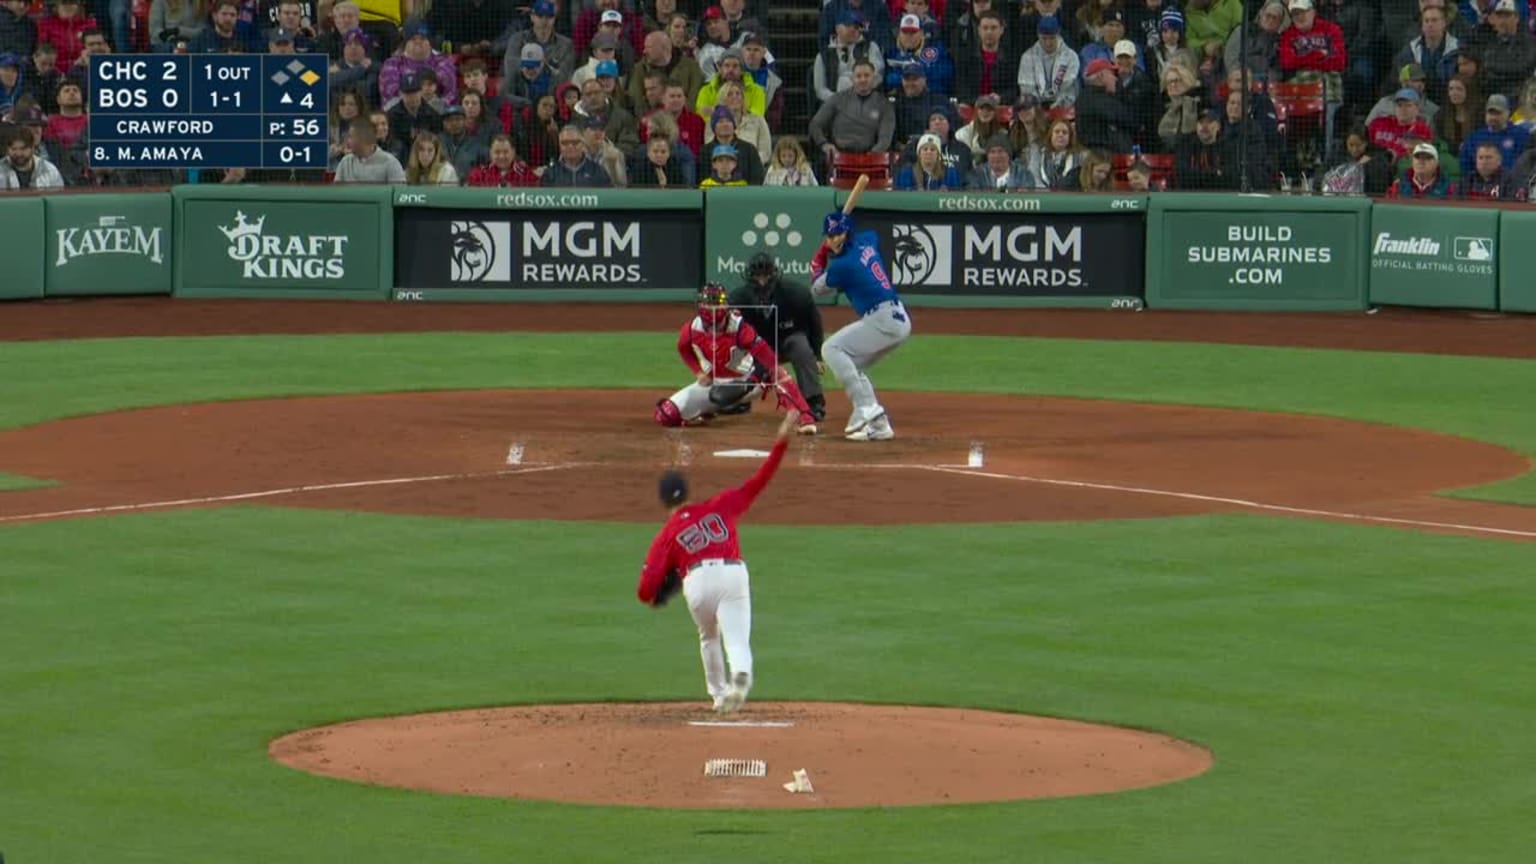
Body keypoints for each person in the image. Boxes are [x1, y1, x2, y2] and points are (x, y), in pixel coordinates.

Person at [635, 408, 801, 715]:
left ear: (664, 500)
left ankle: (719, 694)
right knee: (736, 640)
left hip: (697, 582)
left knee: (708, 636)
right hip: (732, 574)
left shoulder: (667, 535)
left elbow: (645, 590)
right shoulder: (720, 506)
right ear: (687, 493)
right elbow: (759, 481)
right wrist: (781, 440)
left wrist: (664, 584)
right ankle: (741, 676)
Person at [653, 282, 819, 433]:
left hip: (746, 383)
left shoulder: (740, 328)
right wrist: (698, 372)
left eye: (718, 302)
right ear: (700, 305)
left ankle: (805, 415)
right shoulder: (691, 329)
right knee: (666, 414)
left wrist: (752, 380)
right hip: (714, 386)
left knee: (778, 372)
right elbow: (683, 349)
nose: (714, 306)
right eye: (709, 302)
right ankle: (708, 409)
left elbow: (769, 360)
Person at [811, 212, 911, 442]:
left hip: (882, 319)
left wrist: (818, 262)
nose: (832, 239)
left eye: (836, 235)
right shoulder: (867, 240)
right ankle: (879, 425)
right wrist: (838, 241)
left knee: (831, 349)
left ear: (846, 233)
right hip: (898, 318)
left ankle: (865, 408)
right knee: (850, 364)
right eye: (829, 236)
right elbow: (871, 235)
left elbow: (817, 289)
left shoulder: (843, 266)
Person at [728, 251, 827, 421]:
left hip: (786, 340)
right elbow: (728, 333)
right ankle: (736, 398)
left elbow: (814, 323)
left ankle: (813, 402)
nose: (762, 281)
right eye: (758, 276)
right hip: (757, 347)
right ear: (750, 276)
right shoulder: (738, 299)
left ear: (774, 274)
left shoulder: (795, 294)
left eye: (766, 275)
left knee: (801, 347)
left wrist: (817, 356)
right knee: (734, 352)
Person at [333, 117, 406, 182]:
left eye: (351, 136)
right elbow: (336, 191)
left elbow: (399, 191)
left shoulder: (391, 163)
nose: (347, 141)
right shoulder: (345, 162)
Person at [0, 121, 63, 188]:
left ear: (32, 148)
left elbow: (59, 193)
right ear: (7, 149)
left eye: (23, 149)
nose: (18, 153)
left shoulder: (49, 170)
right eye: (14, 149)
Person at [896, 131, 965, 188]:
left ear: (938, 154)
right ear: (919, 153)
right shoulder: (907, 172)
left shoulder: (950, 173)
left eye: (932, 149)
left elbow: (955, 195)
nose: (928, 152)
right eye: (925, 149)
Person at [467, 133, 539, 186]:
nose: (501, 156)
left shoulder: (527, 175)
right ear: (490, 153)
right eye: (497, 152)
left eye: (506, 152)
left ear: (513, 152)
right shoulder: (478, 175)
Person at [1388, 140, 1454, 198]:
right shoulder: (1398, 186)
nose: (1421, 161)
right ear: (1412, 161)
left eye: (1427, 158)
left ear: (1436, 163)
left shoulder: (1448, 188)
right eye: (1417, 157)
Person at [1457, 140, 1522, 198]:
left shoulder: (1509, 181)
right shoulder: (1467, 180)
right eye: (1480, 158)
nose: (1484, 162)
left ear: (1499, 161)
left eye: (1489, 157)